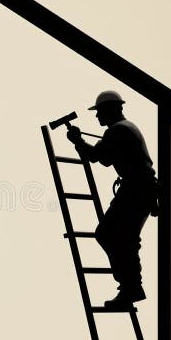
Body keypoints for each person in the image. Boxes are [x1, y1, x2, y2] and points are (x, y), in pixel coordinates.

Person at [66, 91, 158, 309]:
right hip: (142, 189)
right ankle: (130, 287)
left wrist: (78, 141)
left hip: (136, 189)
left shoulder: (117, 131)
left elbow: (99, 158)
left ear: (111, 110)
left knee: (108, 234)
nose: (97, 117)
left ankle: (130, 287)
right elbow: (106, 158)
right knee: (125, 238)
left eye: (99, 112)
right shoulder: (126, 128)